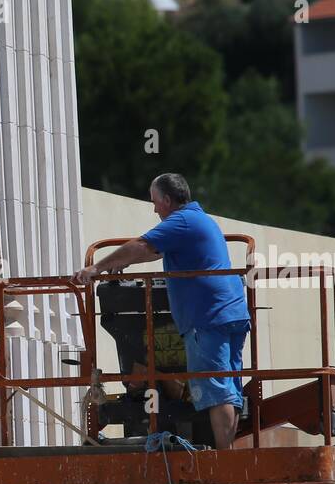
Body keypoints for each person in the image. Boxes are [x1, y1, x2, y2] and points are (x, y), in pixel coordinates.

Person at [74, 173, 251, 449]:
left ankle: (224, 461)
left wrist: (96, 268)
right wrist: (125, 262)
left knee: (217, 390)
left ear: (167, 200)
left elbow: (142, 245)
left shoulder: (182, 221)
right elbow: (154, 252)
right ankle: (228, 456)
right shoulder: (199, 220)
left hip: (208, 316)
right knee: (228, 388)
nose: (154, 209)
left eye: (155, 201)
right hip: (231, 312)